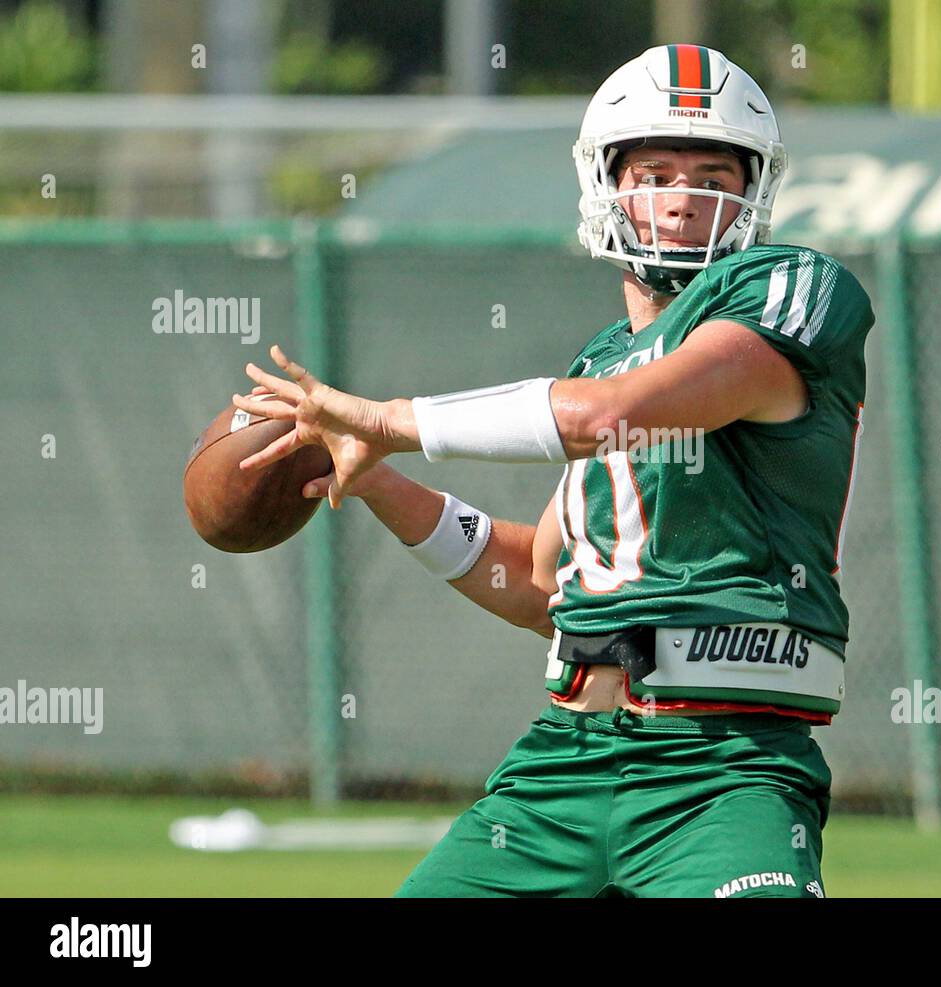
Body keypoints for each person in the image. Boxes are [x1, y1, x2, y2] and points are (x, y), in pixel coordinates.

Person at [234, 44, 874, 898]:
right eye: (654, 172)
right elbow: (540, 583)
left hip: (726, 767)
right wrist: (377, 470)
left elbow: (613, 416)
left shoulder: (793, 292)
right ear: (608, 186)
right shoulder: (603, 358)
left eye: (714, 175)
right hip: (561, 770)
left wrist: (390, 417)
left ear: (752, 192)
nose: (683, 200)